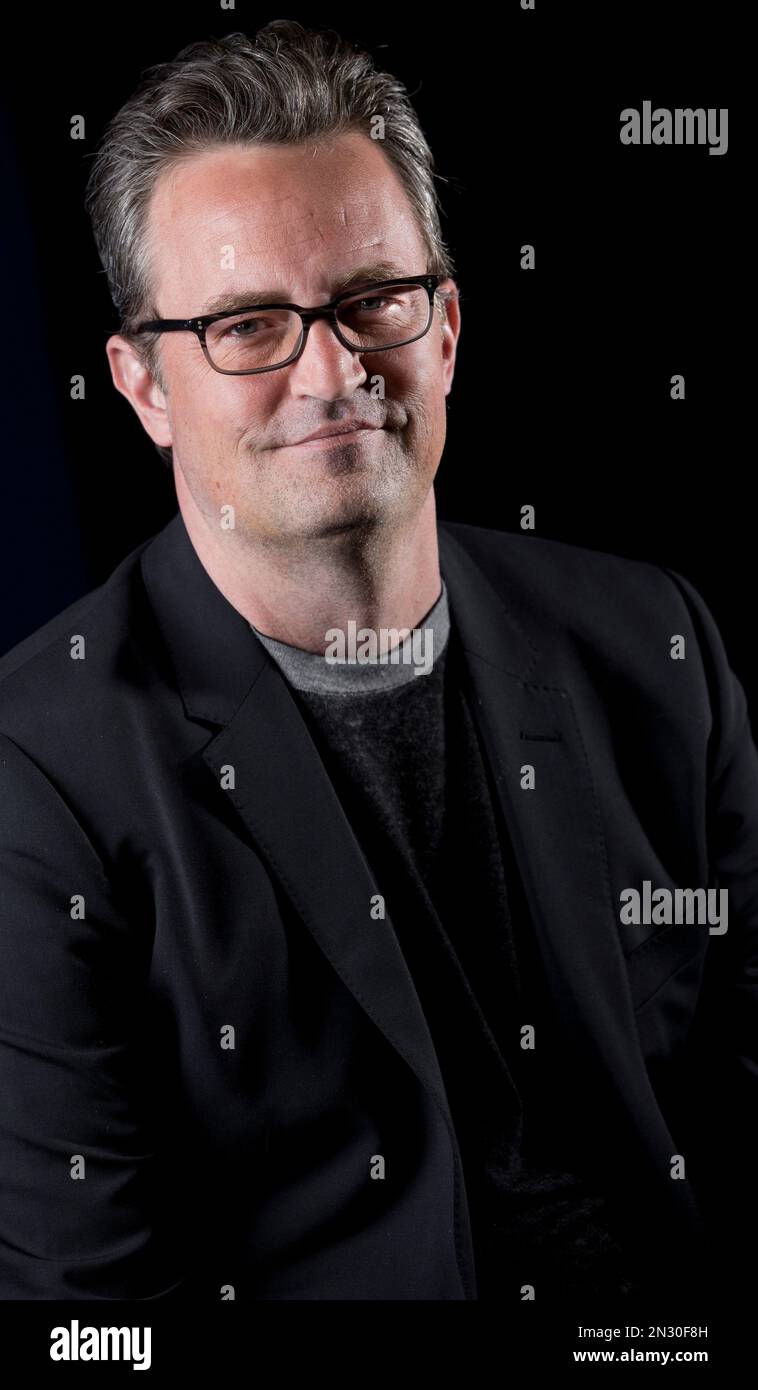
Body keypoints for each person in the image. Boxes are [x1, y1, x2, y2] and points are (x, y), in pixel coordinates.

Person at [0, 21, 755, 1305]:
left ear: (445, 326)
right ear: (144, 390)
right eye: (246, 325)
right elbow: (84, 1316)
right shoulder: (34, 777)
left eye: (372, 301)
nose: (333, 370)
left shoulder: (650, 645)